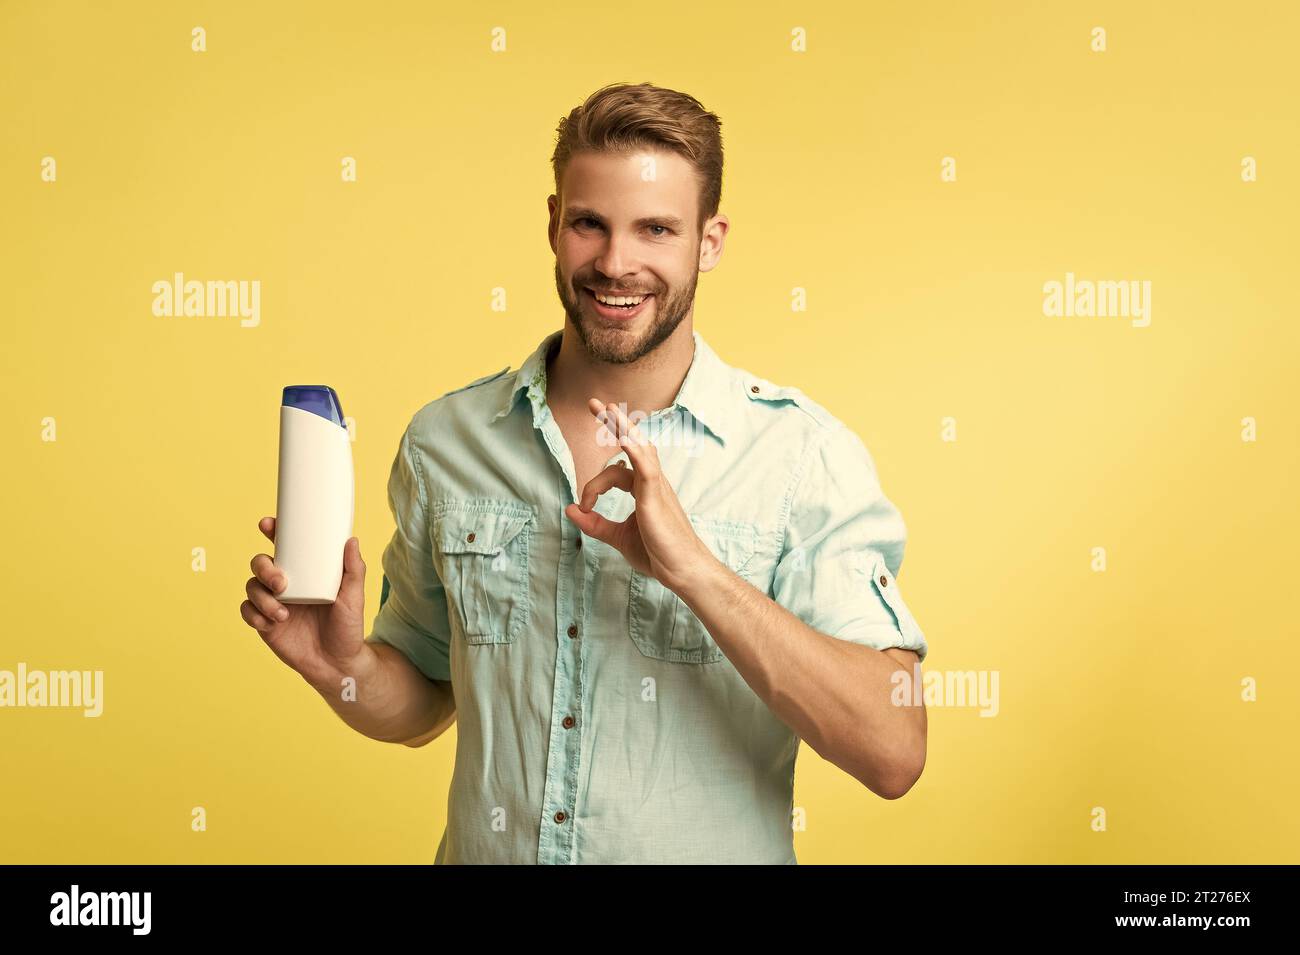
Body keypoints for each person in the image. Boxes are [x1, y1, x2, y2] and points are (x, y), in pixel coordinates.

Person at [240, 81, 930, 864]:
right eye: (589, 224)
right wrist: (345, 669)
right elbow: (426, 699)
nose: (616, 263)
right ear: (553, 225)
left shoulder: (801, 458)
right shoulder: (447, 440)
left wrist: (695, 570)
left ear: (710, 241)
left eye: (657, 229)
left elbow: (893, 749)